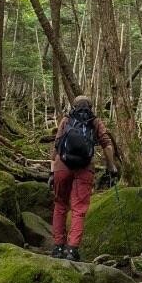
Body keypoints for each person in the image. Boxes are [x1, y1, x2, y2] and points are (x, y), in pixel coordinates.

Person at [50, 94, 118, 260]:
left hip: (61, 166)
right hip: (85, 168)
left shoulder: (66, 120)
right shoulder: (95, 122)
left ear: (73, 106)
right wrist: (111, 166)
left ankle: (58, 247)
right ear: (90, 106)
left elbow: (56, 145)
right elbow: (107, 144)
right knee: (78, 210)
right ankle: (72, 249)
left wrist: (52, 171)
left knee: (60, 206)